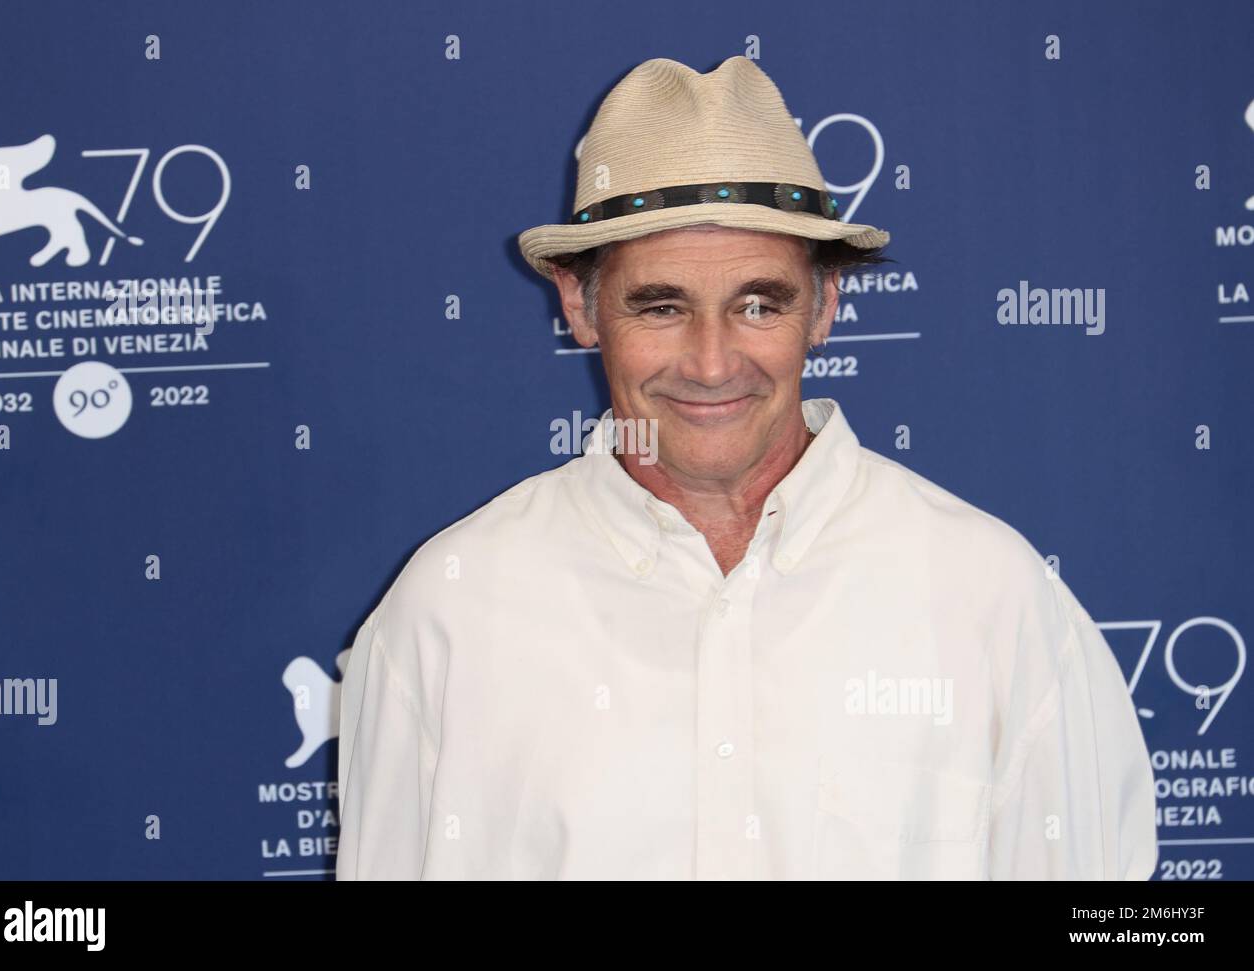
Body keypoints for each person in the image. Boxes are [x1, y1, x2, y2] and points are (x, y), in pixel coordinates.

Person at [336, 55, 1157, 880]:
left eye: (759, 304)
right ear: (579, 305)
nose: (711, 362)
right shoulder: (449, 612)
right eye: (660, 306)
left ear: (827, 303)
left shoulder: (993, 598)